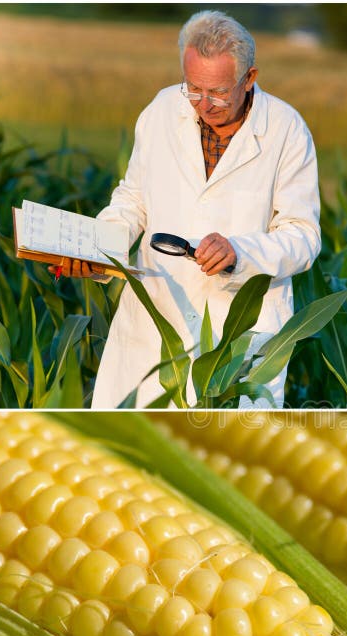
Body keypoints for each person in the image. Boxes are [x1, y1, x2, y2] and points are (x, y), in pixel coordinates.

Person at [66, 10, 321, 408]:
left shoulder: (287, 130)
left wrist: (240, 252)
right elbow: (132, 200)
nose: (204, 104)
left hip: (235, 333)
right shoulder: (162, 110)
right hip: (153, 325)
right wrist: (99, 253)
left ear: (249, 78)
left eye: (218, 92)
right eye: (193, 88)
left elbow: (303, 236)